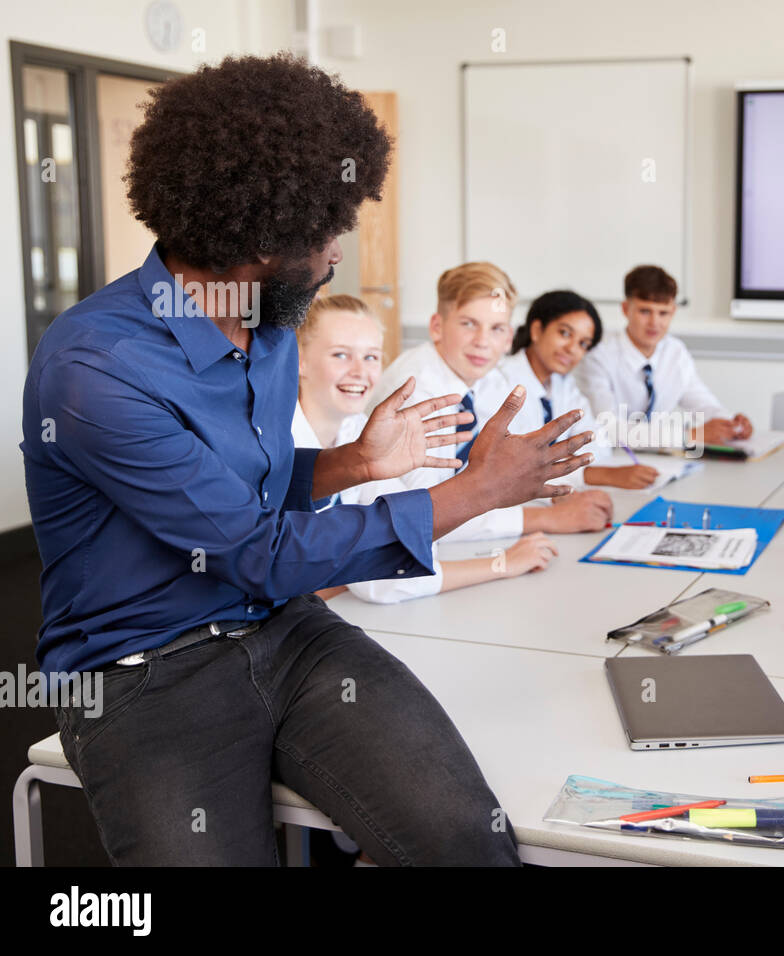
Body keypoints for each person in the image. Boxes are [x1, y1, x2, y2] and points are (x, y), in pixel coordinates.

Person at [21, 54, 593, 866]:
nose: (333, 256)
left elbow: (242, 495)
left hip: (284, 631)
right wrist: (474, 492)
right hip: (144, 671)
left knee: (467, 842)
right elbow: (254, 550)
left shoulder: (269, 325)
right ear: (259, 232)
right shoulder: (95, 366)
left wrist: (352, 463)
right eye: (324, 234)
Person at [294, 295, 558, 605]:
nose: (359, 372)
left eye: (371, 357)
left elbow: (408, 545)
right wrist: (502, 564)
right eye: (340, 355)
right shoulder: (275, 444)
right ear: (299, 359)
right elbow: (375, 581)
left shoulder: (355, 428)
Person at [358, 262, 614, 550]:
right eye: (468, 324)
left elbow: (516, 467)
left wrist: (557, 494)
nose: (482, 342)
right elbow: (429, 513)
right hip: (395, 551)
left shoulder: (489, 382)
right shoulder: (415, 390)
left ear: (508, 339)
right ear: (437, 327)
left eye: (496, 329)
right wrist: (549, 518)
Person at [574, 265, 751, 447]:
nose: (654, 323)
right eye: (645, 311)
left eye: (663, 313)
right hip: (612, 458)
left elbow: (703, 403)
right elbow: (608, 429)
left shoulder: (675, 352)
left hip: (661, 458)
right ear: (626, 309)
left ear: (673, 311)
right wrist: (688, 435)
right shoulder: (597, 355)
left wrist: (731, 423)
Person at [500, 290, 660, 489]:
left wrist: (562, 465)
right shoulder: (501, 382)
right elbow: (513, 468)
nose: (572, 349)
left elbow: (599, 445)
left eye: (583, 343)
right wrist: (593, 474)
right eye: (565, 333)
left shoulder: (564, 385)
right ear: (537, 330)